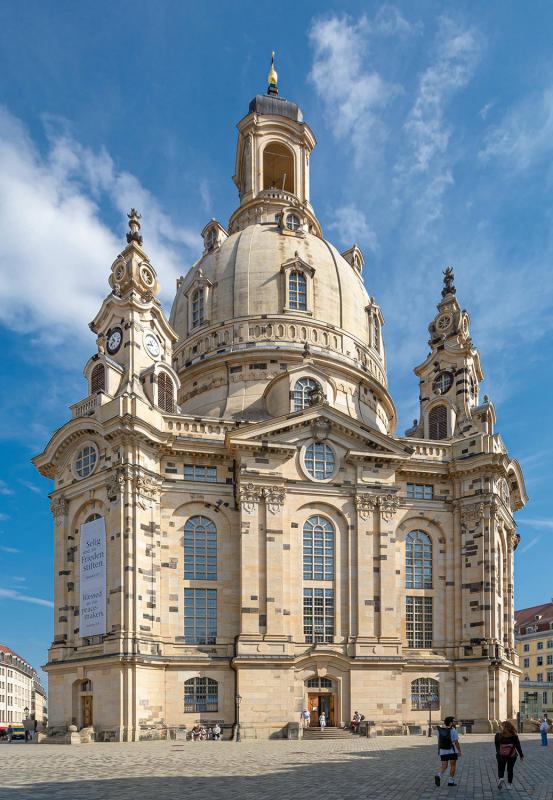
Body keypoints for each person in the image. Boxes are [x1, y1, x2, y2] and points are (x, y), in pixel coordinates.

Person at [495, 720, 524, 789]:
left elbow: (496, 746)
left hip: (501, 754)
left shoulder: (498, 735)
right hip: (512, 755)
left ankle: (501, 778)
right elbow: (518, 746)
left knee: (501, 768)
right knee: (510, 769)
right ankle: (509, 784)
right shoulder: (514, 735)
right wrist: (521, 755)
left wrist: (498, 753)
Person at [435, 716, 461, 787]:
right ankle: (450, 781)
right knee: (453, 765)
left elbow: (439, 742)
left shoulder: (440, 730)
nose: (455, 722)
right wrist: (459, 751)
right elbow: (456, 742)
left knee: (444, 766)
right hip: (452, 751)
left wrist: (439, 750)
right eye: (454, 721)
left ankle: (439, 775)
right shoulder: (453, 730)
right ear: (450, 722)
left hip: (443, 751)